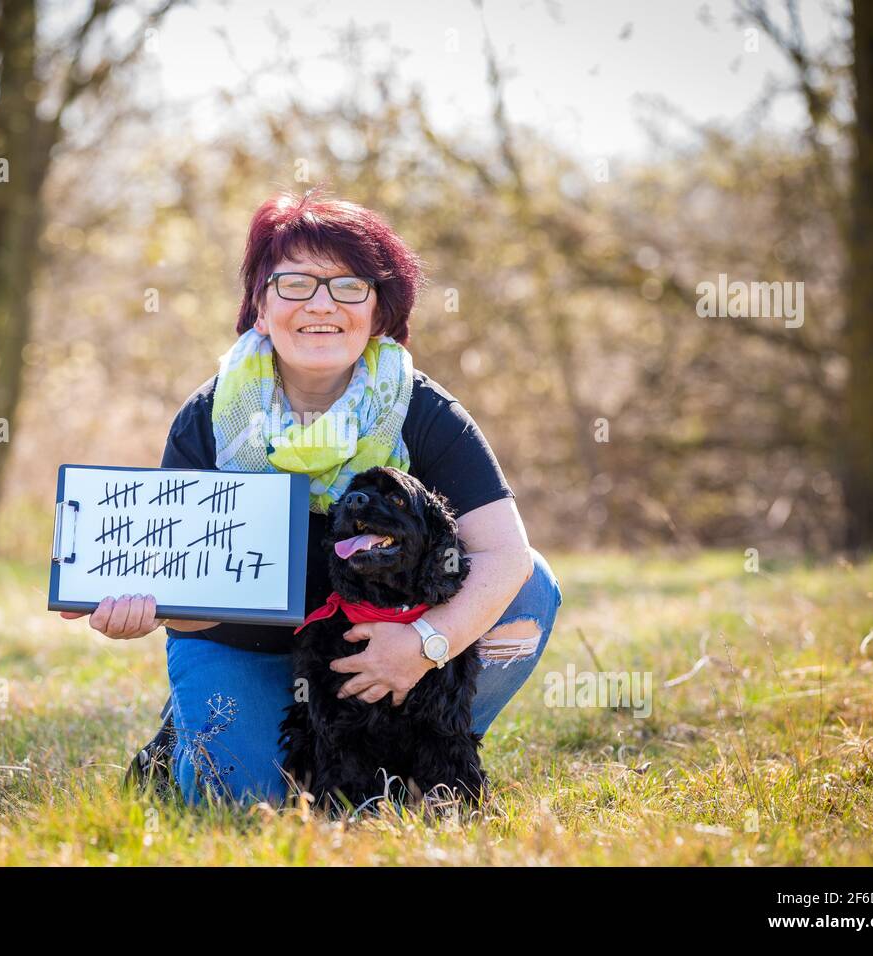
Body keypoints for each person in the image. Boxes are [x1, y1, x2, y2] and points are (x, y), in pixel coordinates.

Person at [61, 186, 562, 805]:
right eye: (295, 284)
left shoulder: (423, 410)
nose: (321, 305)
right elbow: (191, 597)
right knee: (243, 804)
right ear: (260, 305)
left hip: (401, 643)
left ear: (379, 311)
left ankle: (422, 765)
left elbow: (507, 556)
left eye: (349, 286)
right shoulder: (209, 417)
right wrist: (148, 609)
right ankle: (189, 730)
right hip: (252, 647)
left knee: (530, 589)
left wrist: (425, 645)